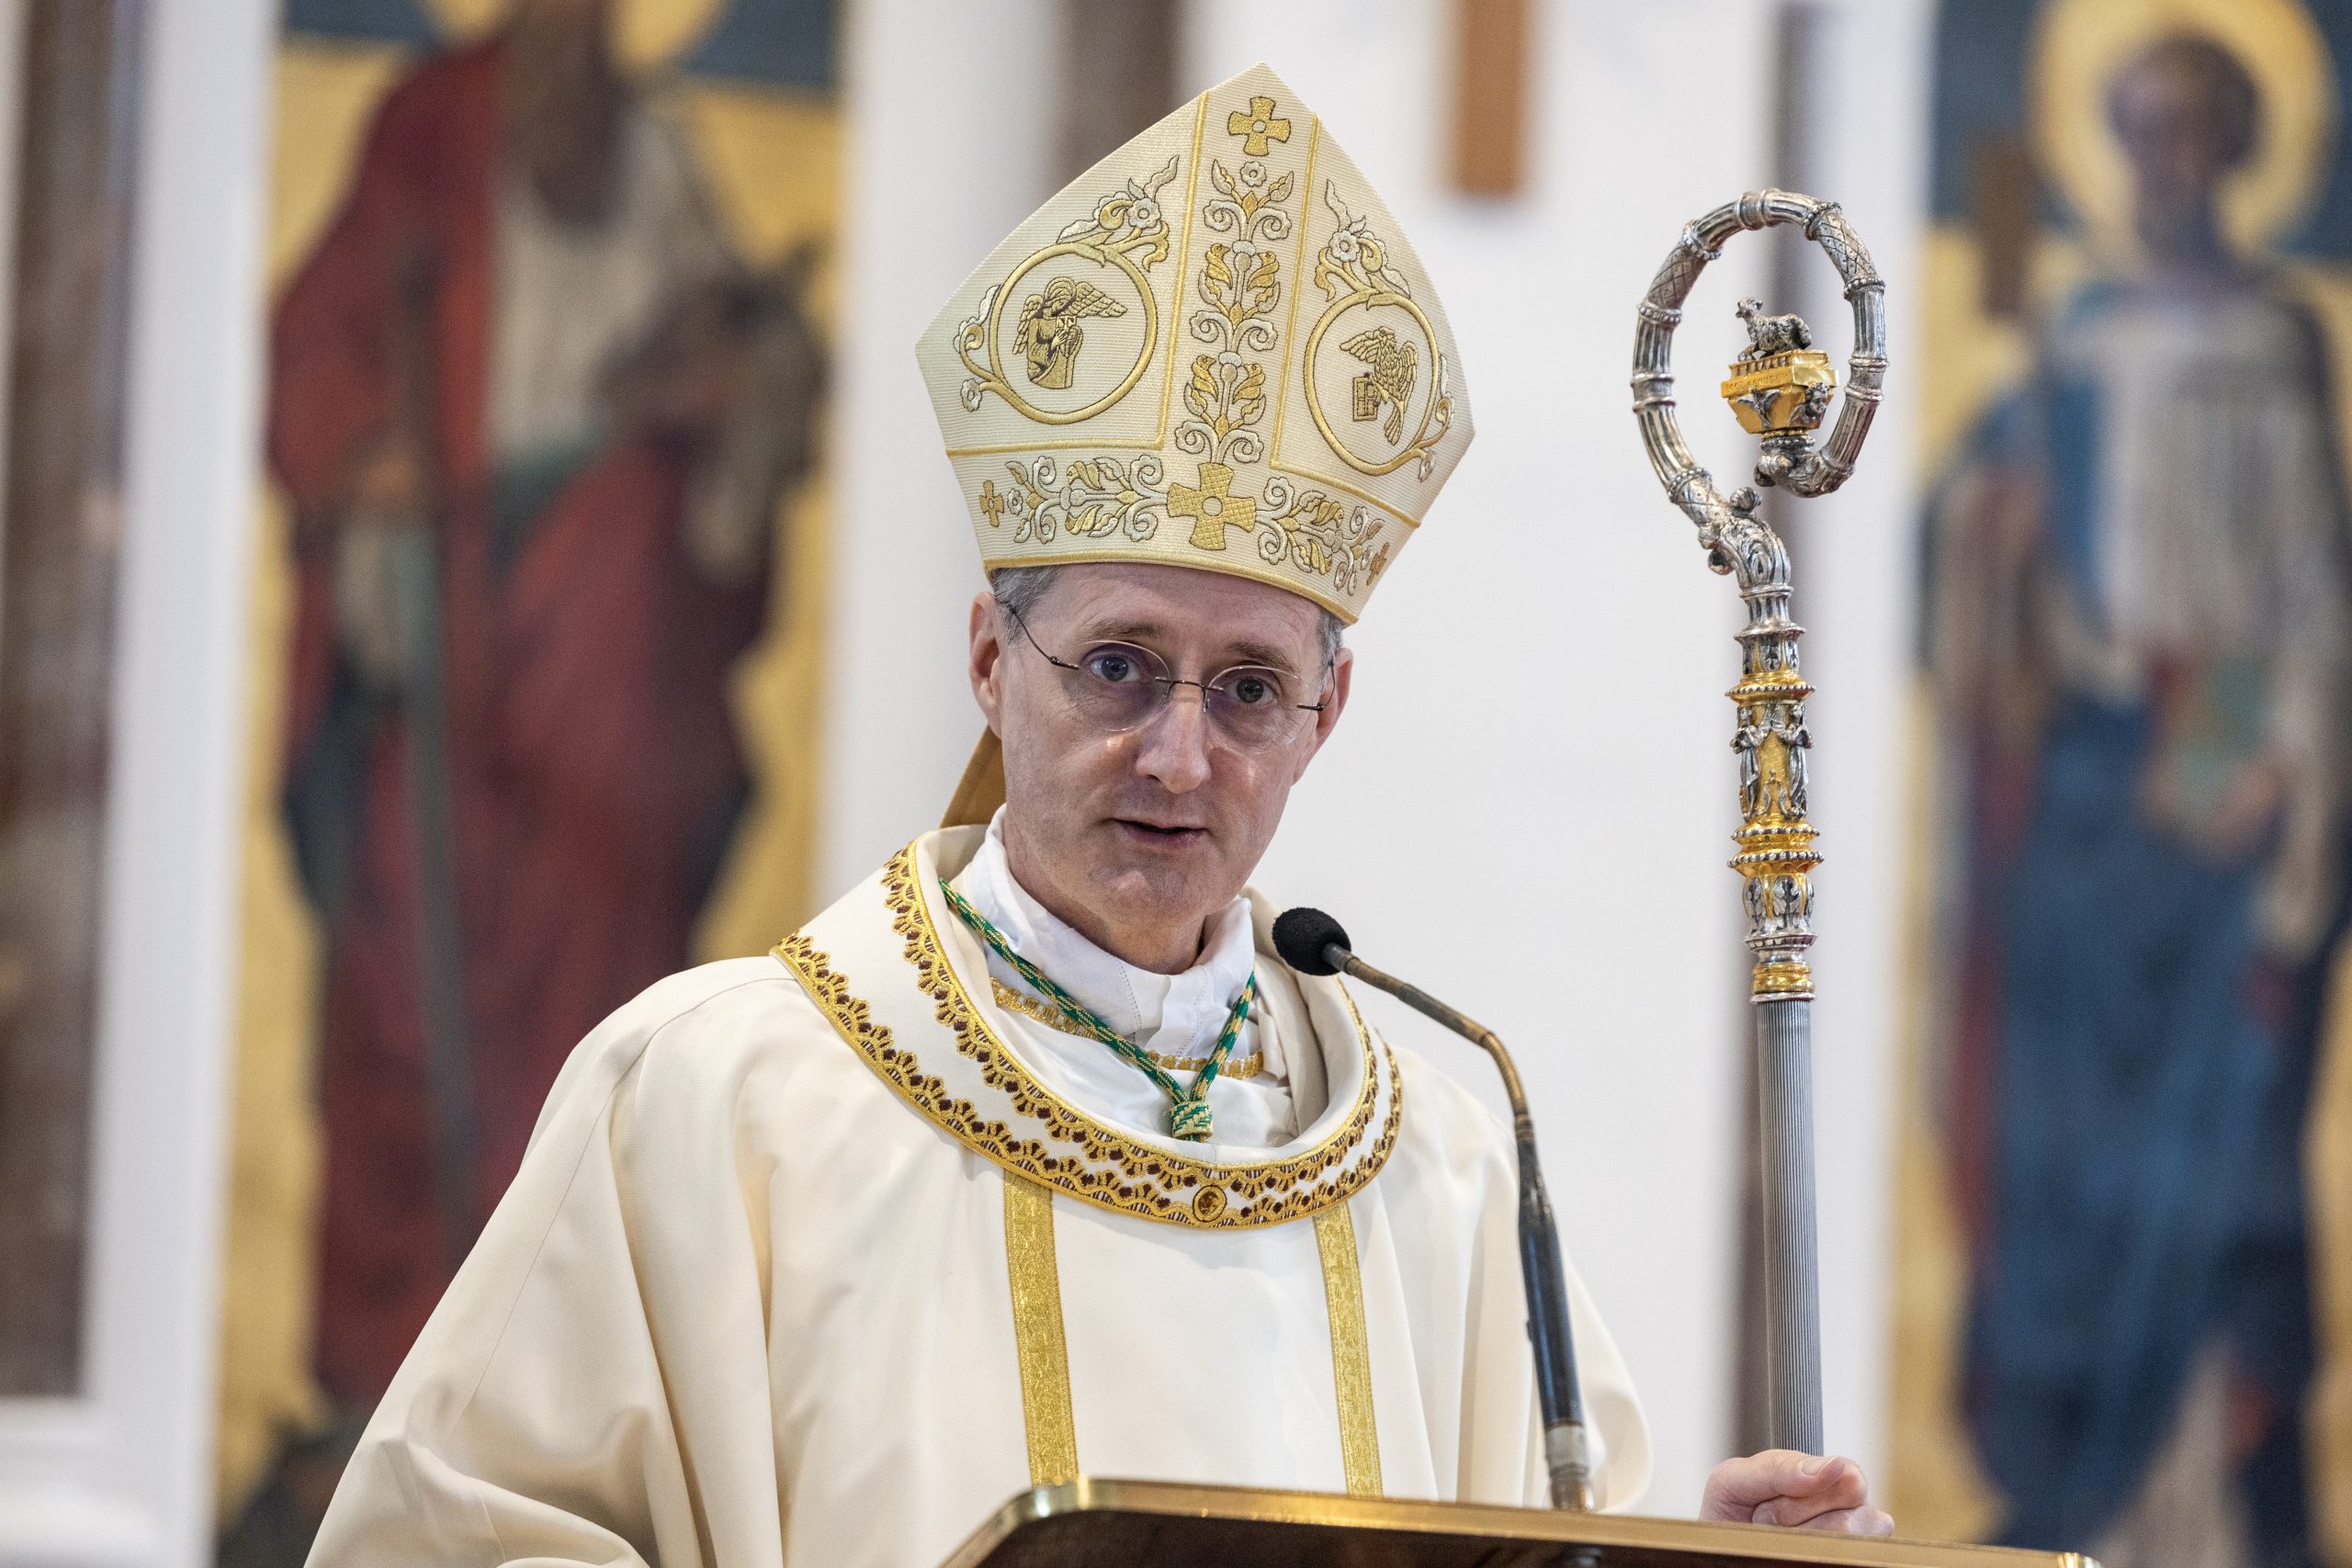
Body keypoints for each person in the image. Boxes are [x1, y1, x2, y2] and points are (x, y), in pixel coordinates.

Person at [309, 65, 1888, 1568]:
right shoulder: (719, 1098)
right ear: (994, 661)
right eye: (1122, 667)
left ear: (1327, 717)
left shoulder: (1450, 1168)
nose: (1180, 759)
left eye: (1251, 689)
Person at [1928, 32, 2347, 1566]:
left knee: (2216, 1158)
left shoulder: (2277, 340)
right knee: (2062, 1160)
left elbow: (2309, 592)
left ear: (2239, 151)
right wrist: (2000, 524)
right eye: (2137, 133)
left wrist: (2248, 751)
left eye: (2190, 135)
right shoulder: (2078, 332)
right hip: (2089, 808)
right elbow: (1985, 561)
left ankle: (2221, 1497)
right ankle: (2072, 1484)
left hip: (2223, 801)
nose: (2161, 164)